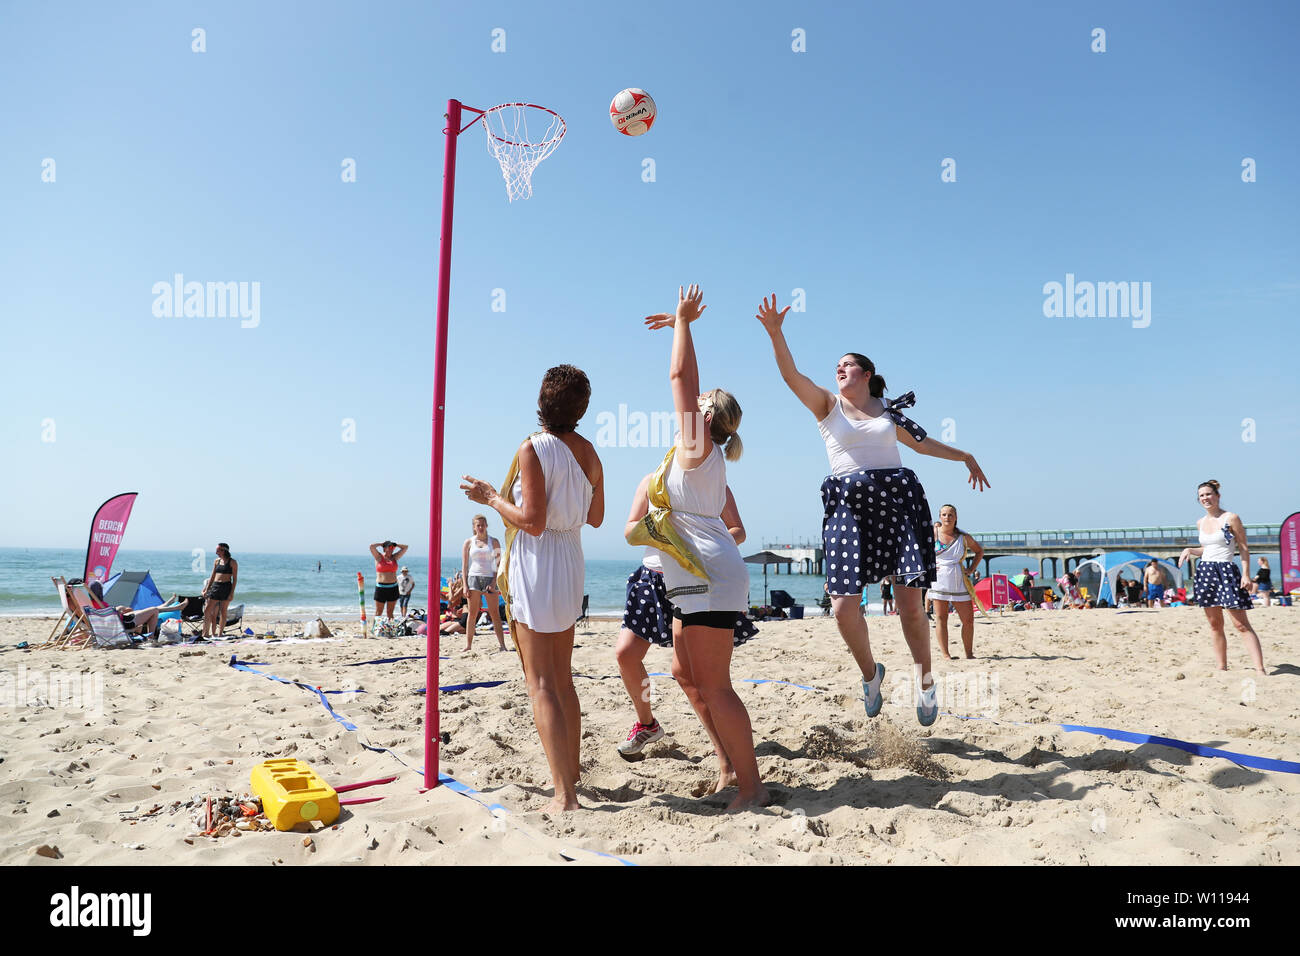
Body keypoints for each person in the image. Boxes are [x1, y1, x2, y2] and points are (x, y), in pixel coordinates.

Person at [755, 293, 990, 726]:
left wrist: (965, 456)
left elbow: (923, 443)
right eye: (836, 367)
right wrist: (776, 332)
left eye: (846, 365)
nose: (839, 369)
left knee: (910, 605)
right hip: (848, 507)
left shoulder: (888, 411)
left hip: (898, 505)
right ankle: (871, 675)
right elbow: (792, 376)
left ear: (866, 373)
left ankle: (924, 683)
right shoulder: (827, 405)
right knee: (844, 606)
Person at [635, 285, 766, 810]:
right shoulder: (692, 452)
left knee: (716, 686)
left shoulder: (698, 444)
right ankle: (729, 764)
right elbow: (686, 383)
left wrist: (685, 323)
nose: (696, 401)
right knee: (685, 675)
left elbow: (678, 378)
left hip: (711, 575)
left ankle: (752, 787)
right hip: (693, 577)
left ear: (707, 417)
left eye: (703, 401)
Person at [460, 364, 604, 813]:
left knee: (539, 682)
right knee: (563, 678)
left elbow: (532, 522)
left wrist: (491, 498)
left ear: (542, 402)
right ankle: (571, 774)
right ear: (581, 408)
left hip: (538, 562)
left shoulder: (532, 448)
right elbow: (595, 517)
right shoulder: (588, 451)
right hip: (571, 558)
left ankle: (564, 794)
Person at [614, 472, 757, 758]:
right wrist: (659, 530)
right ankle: (647, 723)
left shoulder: (711, 482)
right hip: (652, 579)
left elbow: (738, 530)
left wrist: (699, 546)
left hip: (694, 579)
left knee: (692, 675)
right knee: (626, 655)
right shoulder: (651, 482)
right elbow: (630, 531)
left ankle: (725, 748)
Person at [1178, 480, 1266, 674]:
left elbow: (1243, 547)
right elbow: (1208, 549)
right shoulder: (1200, 522)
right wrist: (1190, 549)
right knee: (1215, 624)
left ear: (1217, 495)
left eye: (1209, 494)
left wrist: (1246, 574)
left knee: (1241, 624)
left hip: (1226, 571)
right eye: (1201, 495)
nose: (1205, 498)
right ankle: (1221, 667)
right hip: (1206, 572)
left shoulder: (1231, 518)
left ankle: (1259, 669)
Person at [930, 504, 985, 659]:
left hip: (959, 580)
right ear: (940, 516)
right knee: (941, 618)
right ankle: (946, 654)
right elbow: (921, 552)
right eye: (944, 514)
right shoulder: (933, 533)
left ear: (956, 517)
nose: (947, 517)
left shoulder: (963, 537)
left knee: (968, 620)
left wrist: (971, 569)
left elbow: (979, 551)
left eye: (951, 515)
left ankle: (968, 653)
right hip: (939, 580)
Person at [461, 515, 507, 652]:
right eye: (478, 525)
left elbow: (498, 565)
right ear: (474, 527)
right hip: (473, 578)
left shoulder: (495, 542)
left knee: (495, 614)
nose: (480, 527)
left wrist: (494, 582)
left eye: (483, 525)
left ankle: (502, 645)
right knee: (472, 614)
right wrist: (465, 585)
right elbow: (464, 566)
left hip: (489, 579)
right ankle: (468, 645)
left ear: (486, 525)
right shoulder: (468, 542)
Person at [201, 543, 237, 638]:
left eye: (218, 550)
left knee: (223, 611)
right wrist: (206, 589)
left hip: (226, 587)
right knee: (207, 611)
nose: (216, 552)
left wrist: (231, 593)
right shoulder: (216, 561)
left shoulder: (232, 562)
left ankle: (220, 633)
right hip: (216, 587)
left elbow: (235, 579)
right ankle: (205, 633)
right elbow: (212, 576)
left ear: (224, 550)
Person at [369, 540, 409, 621]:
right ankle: (374, 629)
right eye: (389, 548)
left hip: (393, 587)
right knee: (378, 612)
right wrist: (382, 544)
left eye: (392, 548)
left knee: (390, 612)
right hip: (381, 587)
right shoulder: (379, 557)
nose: (391, 549)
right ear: (384, 549)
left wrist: (396, 544)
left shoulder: (394, 557)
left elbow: (405, 547)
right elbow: (372, 546)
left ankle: (390, 630)